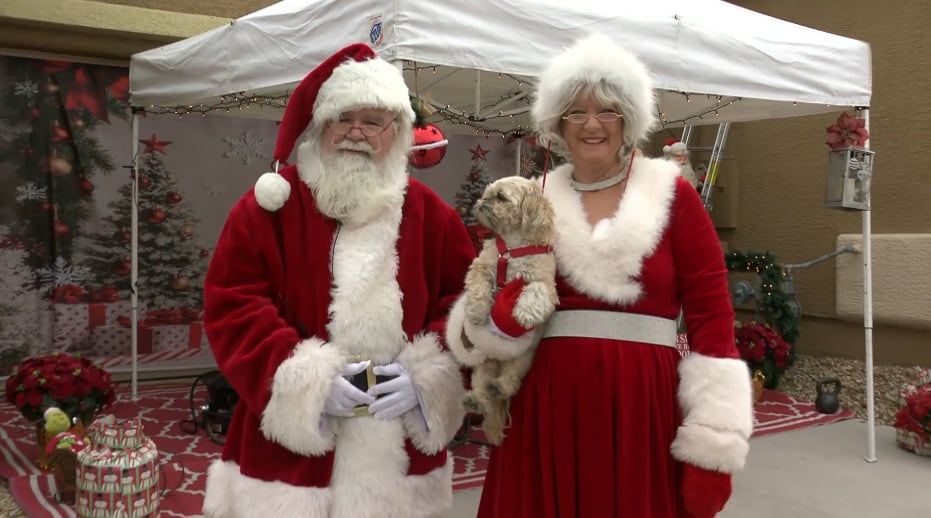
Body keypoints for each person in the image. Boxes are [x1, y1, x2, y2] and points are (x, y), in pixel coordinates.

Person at [446, 34, 753, 518]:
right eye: (577, 111)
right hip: (548, 404)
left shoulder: (672, 194)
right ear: (558, 122)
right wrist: (494, 321)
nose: (592, 124)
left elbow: (712, 315)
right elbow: (493, 280)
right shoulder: (533, 197)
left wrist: (714, 439)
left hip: (641, 406)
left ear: (628, 119)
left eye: (607, 110)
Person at [201, 43, 475, 518]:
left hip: (398, 460)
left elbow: (464, 305)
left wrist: (430, 377)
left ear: (397, 132)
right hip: (290, 463)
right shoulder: (268, 208)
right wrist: (302, 381)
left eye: (372, 121)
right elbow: (233, 302)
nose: (355, 132)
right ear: (320, 125)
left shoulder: (436, 218)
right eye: (342, 117)